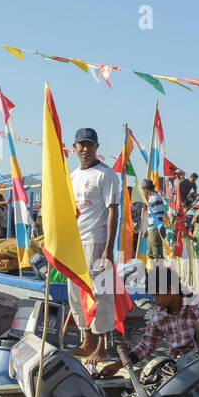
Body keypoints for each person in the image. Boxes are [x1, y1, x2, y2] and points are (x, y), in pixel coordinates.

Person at [98, 265, 199, 379]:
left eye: (157, 295)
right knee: (138, 377)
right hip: (182, 365)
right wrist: (117, 366)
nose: (154, 300)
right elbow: (145, 347)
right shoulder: (157, 315)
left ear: (170, 290)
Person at [67, 127, 121, 366]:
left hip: (97, 241)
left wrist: (108, 248)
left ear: (97, 147)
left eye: (90, 145)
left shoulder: (106, 174)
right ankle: (86, 340)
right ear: (75, 148)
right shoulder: (72, 175)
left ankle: (102, 346)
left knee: (100, 294)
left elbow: (113, 211)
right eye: (81, 145)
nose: (85, 149)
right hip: (75, 244)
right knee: (75, 294)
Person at [142, 178, 169, 261]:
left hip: (155, 230)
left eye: (143, 190)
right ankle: (153, 272)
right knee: (151, 254)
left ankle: (159, 273)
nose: (143, 192)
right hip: (151, 229)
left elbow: (159, 216)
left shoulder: (155, 198)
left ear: (146, 189)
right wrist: (146, 229)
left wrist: (158, 231)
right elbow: (150, 216)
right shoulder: (152, 198)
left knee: (157, 255)